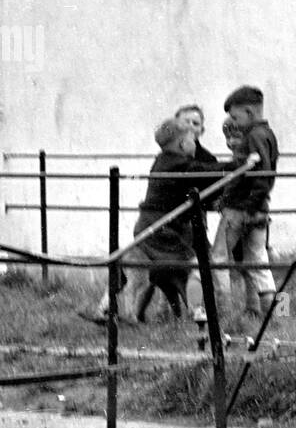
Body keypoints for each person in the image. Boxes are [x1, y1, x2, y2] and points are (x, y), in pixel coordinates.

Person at [89, 117, 221, 324]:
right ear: (182, 144)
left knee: (130, 268)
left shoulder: (162, 160)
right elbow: (206, 174)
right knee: (193, 266)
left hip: (147, 226)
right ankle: (197, 312)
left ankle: (106, 308)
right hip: (164, 232)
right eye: (192, 140)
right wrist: (239, 165)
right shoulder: (179, 164)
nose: (195, 144)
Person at [210, 85, 279, 325]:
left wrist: (247, 205)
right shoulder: (268, 134)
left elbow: (260, 176)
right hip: (258, 209)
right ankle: (279, 317)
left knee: (218, 258)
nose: (235, 123)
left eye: (236, 117)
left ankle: (223, 313)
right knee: (260, 262)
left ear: (249, 113)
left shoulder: (254, 137)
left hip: (241, 209)